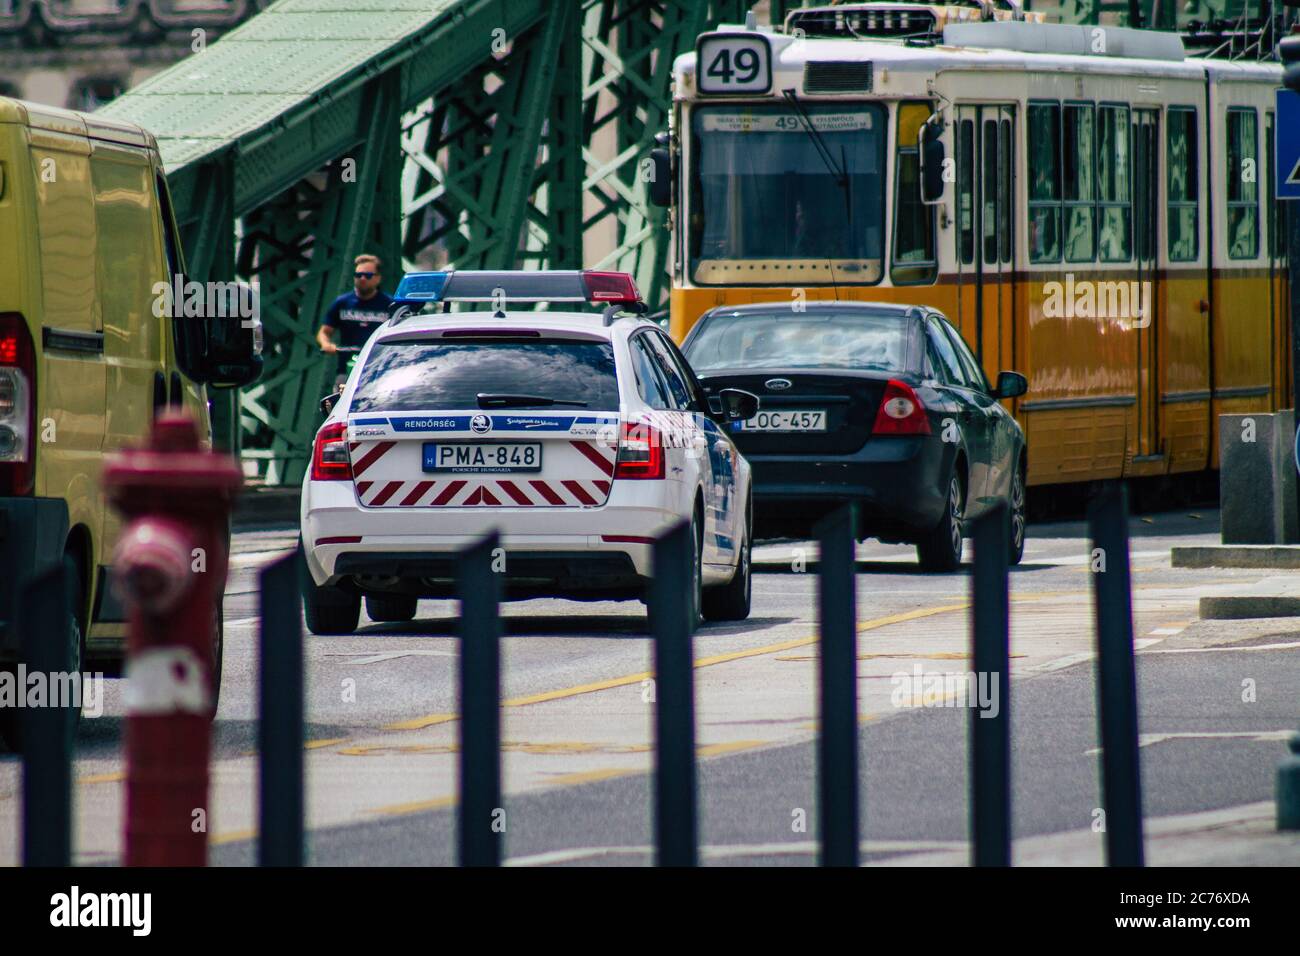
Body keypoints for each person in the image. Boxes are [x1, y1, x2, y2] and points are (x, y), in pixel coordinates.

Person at [317, 253, 395, 389]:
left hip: (379, 368)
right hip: (346, 369)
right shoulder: (342, 302)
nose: (362, 279)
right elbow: (324, 332)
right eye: (358, 275)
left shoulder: (389, 304)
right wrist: (326, 344)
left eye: (368, 275)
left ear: (378, 278)